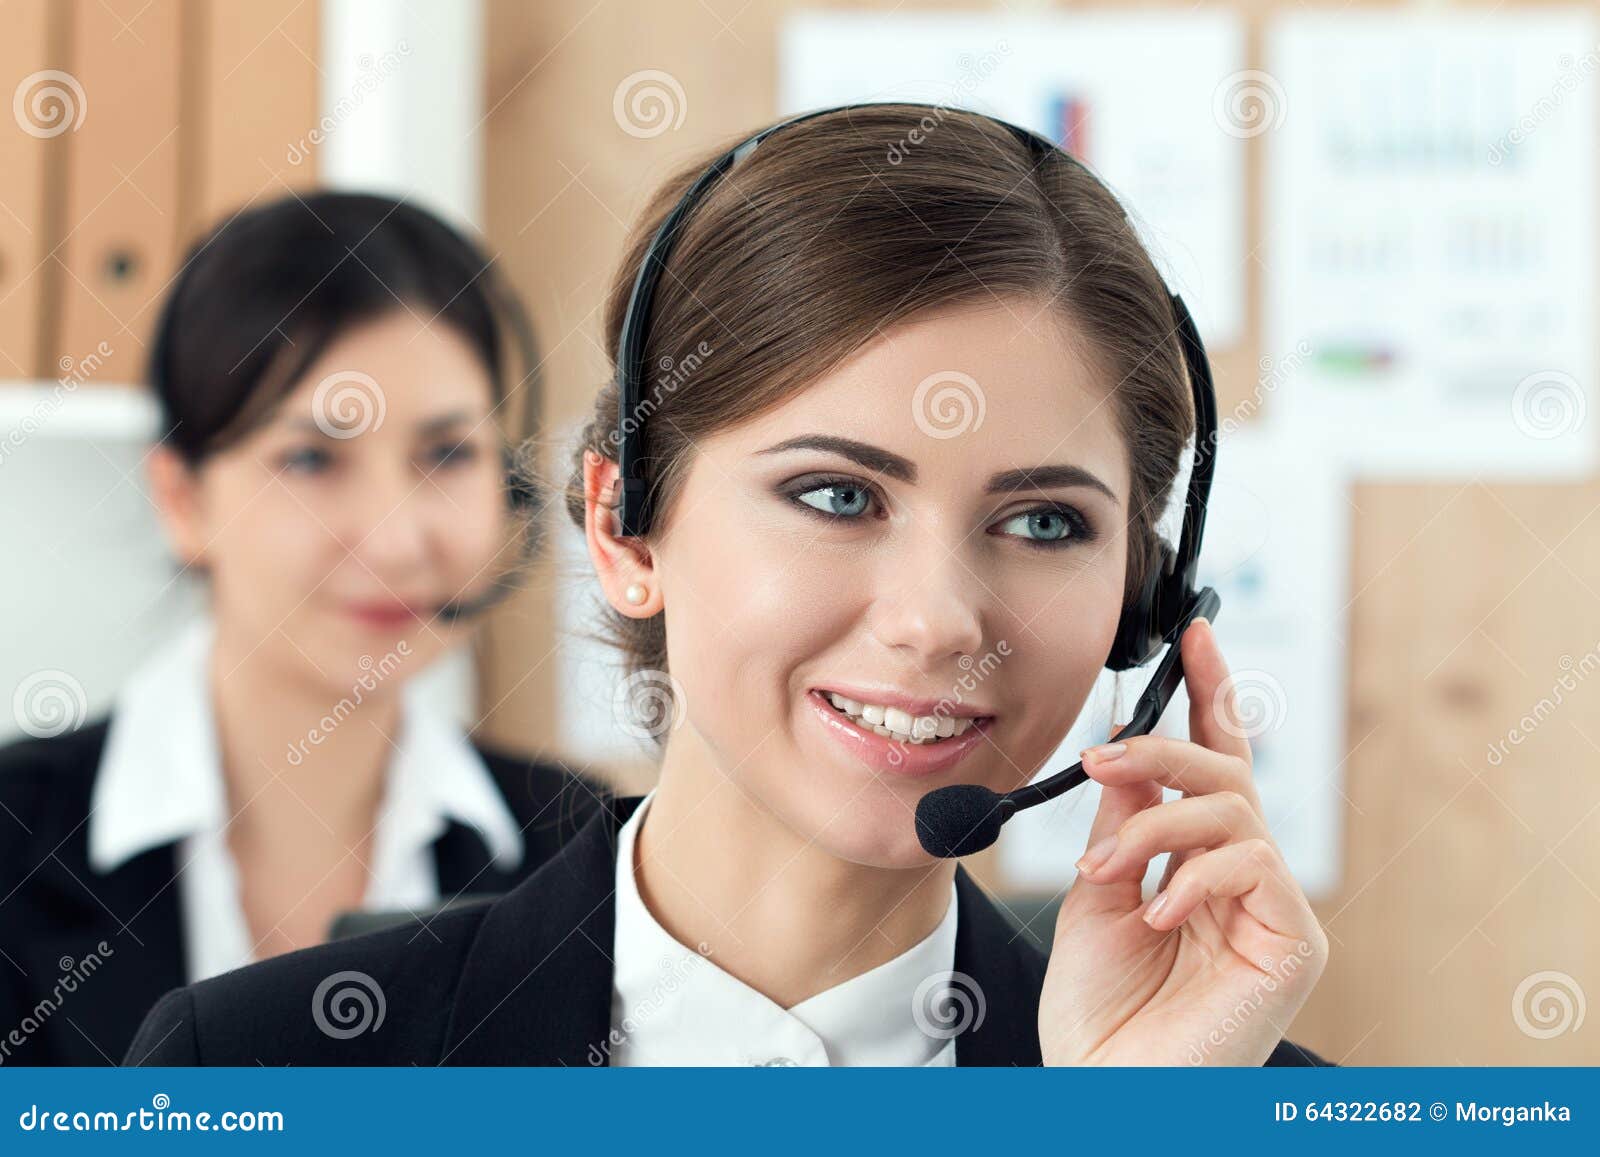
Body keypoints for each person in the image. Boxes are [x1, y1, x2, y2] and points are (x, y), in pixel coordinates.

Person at [122, 106, 1332, 1067]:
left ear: (1143, 602)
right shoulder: (252, 1069)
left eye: (1042, 519)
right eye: (837, 495)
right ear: (624, 529)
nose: (934, 619)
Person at [0, 192, 601, 1066]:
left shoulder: (576, 851)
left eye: (447, 454)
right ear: (183, 499)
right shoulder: (12, 838)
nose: (396, 539)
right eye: (312, 458)